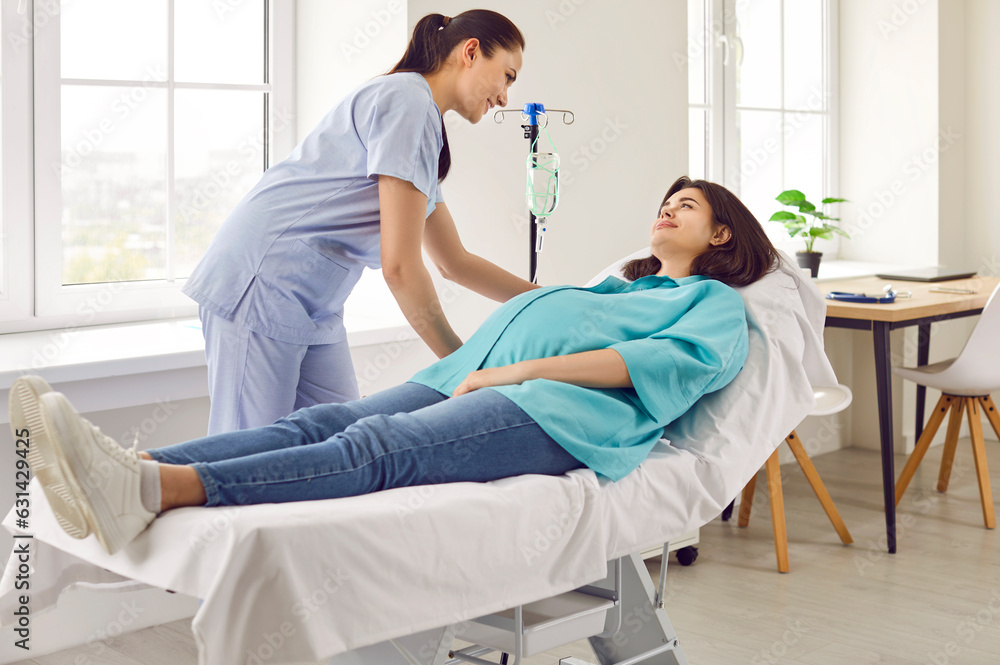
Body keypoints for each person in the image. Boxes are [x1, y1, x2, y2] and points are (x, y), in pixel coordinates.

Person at [13, 177, 781, 555]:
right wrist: (474, 367)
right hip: (463, 380)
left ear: (722, 235)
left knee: (371, 452)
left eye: (688, 204)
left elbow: (651, 369)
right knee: (318, 421)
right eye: (668, 199)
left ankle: (158, 488)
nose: (668, 207)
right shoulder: (621, 282)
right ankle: (127, 463)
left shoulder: (714, 306)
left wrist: (505, 376)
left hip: (554, 417)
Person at [182, 10, 539, 435]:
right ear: (471, 51)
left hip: (315, 305)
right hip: (261, 283)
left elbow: (454, 262)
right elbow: (401, 269)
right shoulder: (408, 104)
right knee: (245, 456)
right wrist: (462, 368)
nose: (504, 98)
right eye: (508, 76)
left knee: (338, 447)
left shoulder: (421, 122)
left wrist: (552, 297)